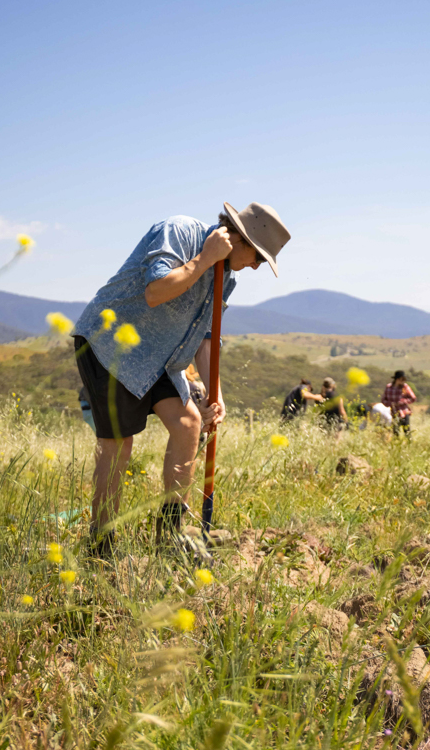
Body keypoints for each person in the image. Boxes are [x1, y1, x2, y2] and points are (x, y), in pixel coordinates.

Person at [71, 202, 290, 558]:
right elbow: (155, 292)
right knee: (119, 445)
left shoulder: (226, 278)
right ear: (241, 239)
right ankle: (101, 543)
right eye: (259, 258)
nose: (255, 266)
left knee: (190, 424)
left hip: (161, 361)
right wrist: (204, 259)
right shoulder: (180, 231)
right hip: (110, 345)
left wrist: (216, 393)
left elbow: (205, 336)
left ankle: (170, 535)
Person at [381, 370, 417, 437]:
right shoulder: (389, 387)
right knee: (395, 432)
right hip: (393, 413)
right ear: (397, 379)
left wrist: (402, 402)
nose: (403, 381)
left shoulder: (405, 387)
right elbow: (383, 400)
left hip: (404, 412)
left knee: (407, 432)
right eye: (402, 379)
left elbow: (413, 398)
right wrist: (391, 404)